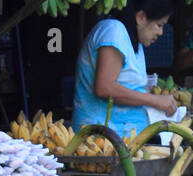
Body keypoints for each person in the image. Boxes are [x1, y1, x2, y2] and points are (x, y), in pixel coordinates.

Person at [72, 0, 179, 142]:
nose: (161, 32)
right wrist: (155, 100)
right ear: (141, 17)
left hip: (125, 140)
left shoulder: (134, 41)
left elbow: (127, 86)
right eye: (159, 25)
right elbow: (104, 88)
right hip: (100, 142)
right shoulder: (113, 31)